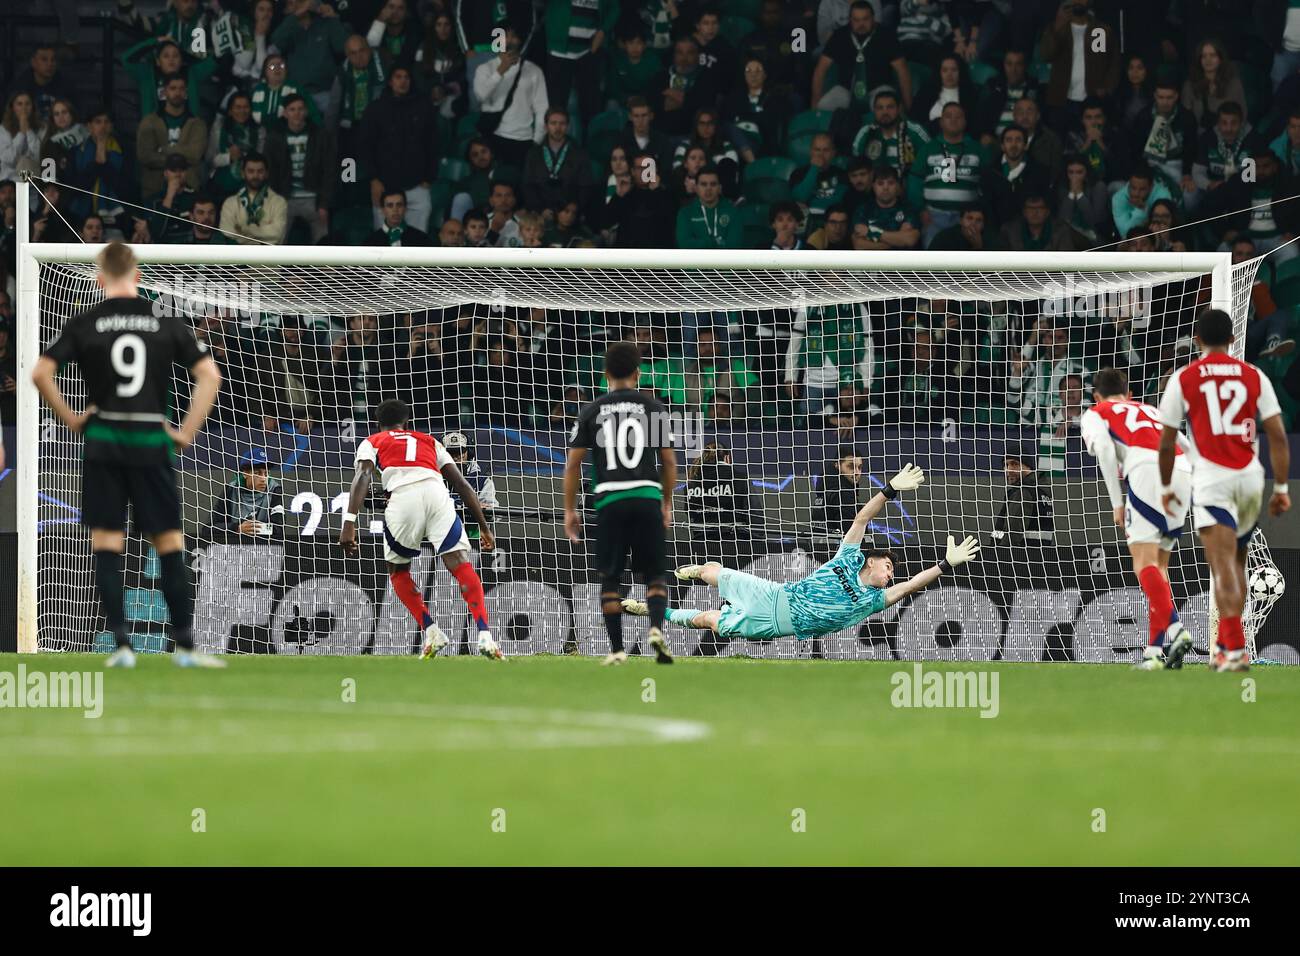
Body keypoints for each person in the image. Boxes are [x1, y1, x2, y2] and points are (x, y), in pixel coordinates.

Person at [30, 241, 224, 667]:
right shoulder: (165, 323)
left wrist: (73, 419)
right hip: (150, 442)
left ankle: (121, 647)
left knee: (107, 543)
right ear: (137, 277)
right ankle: (187, 649)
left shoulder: (85, 321)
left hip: (104, 442)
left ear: (99, 279)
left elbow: (41, 373)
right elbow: (210, 375)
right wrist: (185, 432)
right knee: (170, 542)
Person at [622, 465, 980, 642]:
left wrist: (946, 563)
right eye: (888, 567)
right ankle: (694, 570)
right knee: (715, 573)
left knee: (712, 621)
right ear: (871, 560)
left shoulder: (873, 600)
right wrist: (889, 491)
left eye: (891, 573)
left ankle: (653, 609)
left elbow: (910, 586)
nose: (890, 575)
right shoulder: (847, 557)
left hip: (777, 625)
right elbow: (861, 517)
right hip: (775, 594)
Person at [1157, 309, 1292, 672]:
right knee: (1238, 562)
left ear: (1197, 340)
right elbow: (1277, 435)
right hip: (1249, 477)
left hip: (1213, 479)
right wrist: (1281, 486)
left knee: (1222, 567)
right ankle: (1230, 645)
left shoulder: (1184, 378)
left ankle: (1232, 650)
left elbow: (1167, 443)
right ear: (1233, 340)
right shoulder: (1253, 375)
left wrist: (1168, 487)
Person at [338, 398, 502, 661]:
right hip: (437, 495)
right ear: (408, 423)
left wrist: (349, 523)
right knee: (460, 563)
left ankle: (432, 631)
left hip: (402, 498)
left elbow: (363, 476)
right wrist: (484, 527)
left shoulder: (373, 441)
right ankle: (485, 635)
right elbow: (462, 484)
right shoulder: (429, 440)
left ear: (378, 424)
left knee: (398, 570)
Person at [564, 341, 677, 666]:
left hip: (610, 500)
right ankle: (655, 628)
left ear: (605, 374)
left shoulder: (592, 410)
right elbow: (669, 462)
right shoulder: (653, 407)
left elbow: (572, 466)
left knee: (611, 579)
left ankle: (616, 650)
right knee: (655, 575)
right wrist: (666, 502)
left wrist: (570, 510)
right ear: (638, 373)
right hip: (646, 498)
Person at [1081, 368, 1195, 670]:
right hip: (1182, 470)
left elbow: (1105, 449)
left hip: (1145, 469)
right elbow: (1186, 446)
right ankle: (1155, 654)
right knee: (1160, 569)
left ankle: (1176, 630)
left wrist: (1117, 502)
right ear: (1129, 395)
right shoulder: (1150, 410)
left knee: (1143, 564)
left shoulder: (1095, 412)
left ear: (1096, 395)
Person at [207, 447, 285, 541]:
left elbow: (279, 529)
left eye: (266, 473)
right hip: (234, 548)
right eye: (258, 473)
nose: (263, 478)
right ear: (245, 474)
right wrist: (238, 528)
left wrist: (254, 528)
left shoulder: (275, 490)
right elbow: (209, 528)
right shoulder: (231, 490)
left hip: (264, 548)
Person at [440, 430, 498, 544]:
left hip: (470, 540)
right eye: (450, 452)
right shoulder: (434, 478)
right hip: (435, 538)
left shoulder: (482, 481)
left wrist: (486, 511)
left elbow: (493, 514)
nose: (455, 457)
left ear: (469, 452)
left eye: (460, 451)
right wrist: (472, 506)